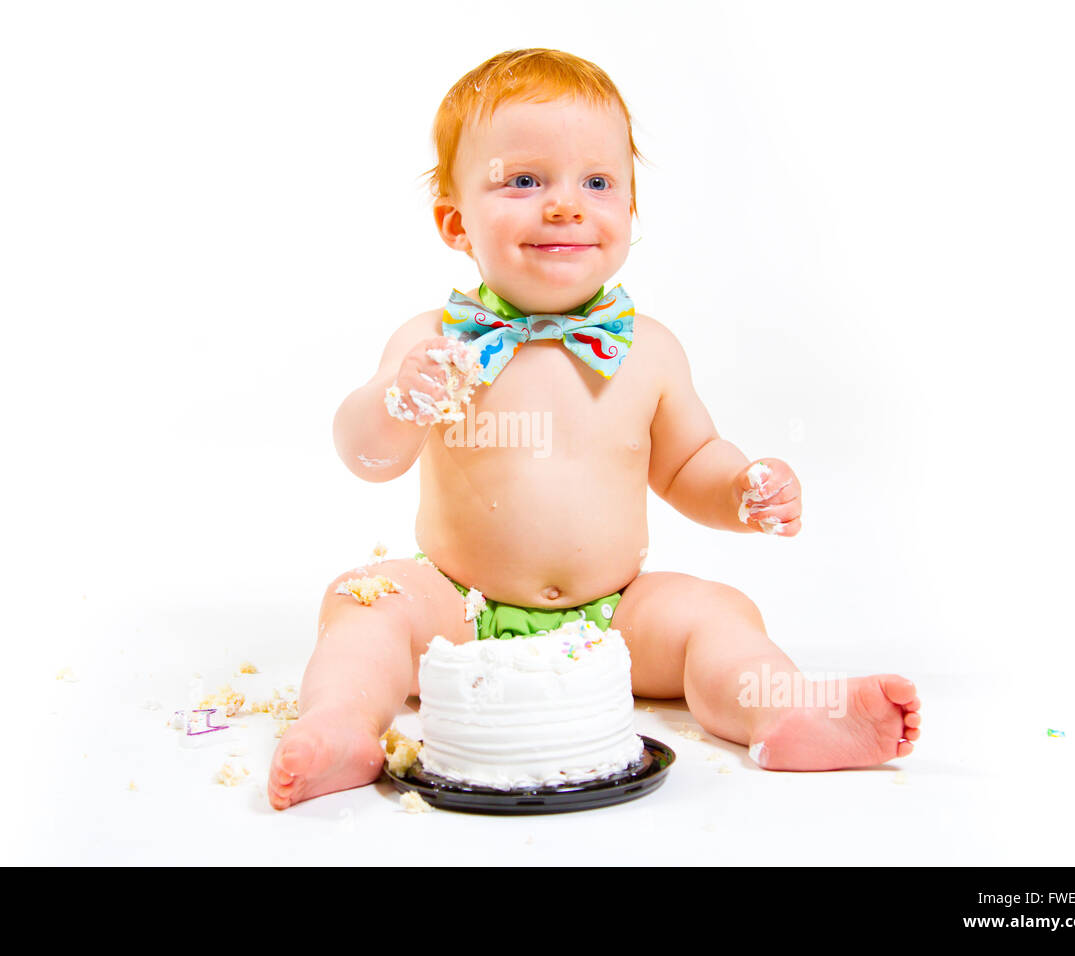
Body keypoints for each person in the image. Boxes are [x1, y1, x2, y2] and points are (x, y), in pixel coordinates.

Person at [269, 48, 920, 810]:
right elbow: (367, 454)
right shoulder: (434, 343)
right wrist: (398, 399)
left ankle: (786, 711)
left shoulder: (649, 350)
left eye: (598, 182)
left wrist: (741, 489)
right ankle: (343, 723)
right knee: (363, 602)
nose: (566, 205)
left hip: (618, 616)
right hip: (456, 608)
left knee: (720, 614)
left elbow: (690, 465)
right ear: (455, 220)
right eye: (524, 180)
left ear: (631, 211)